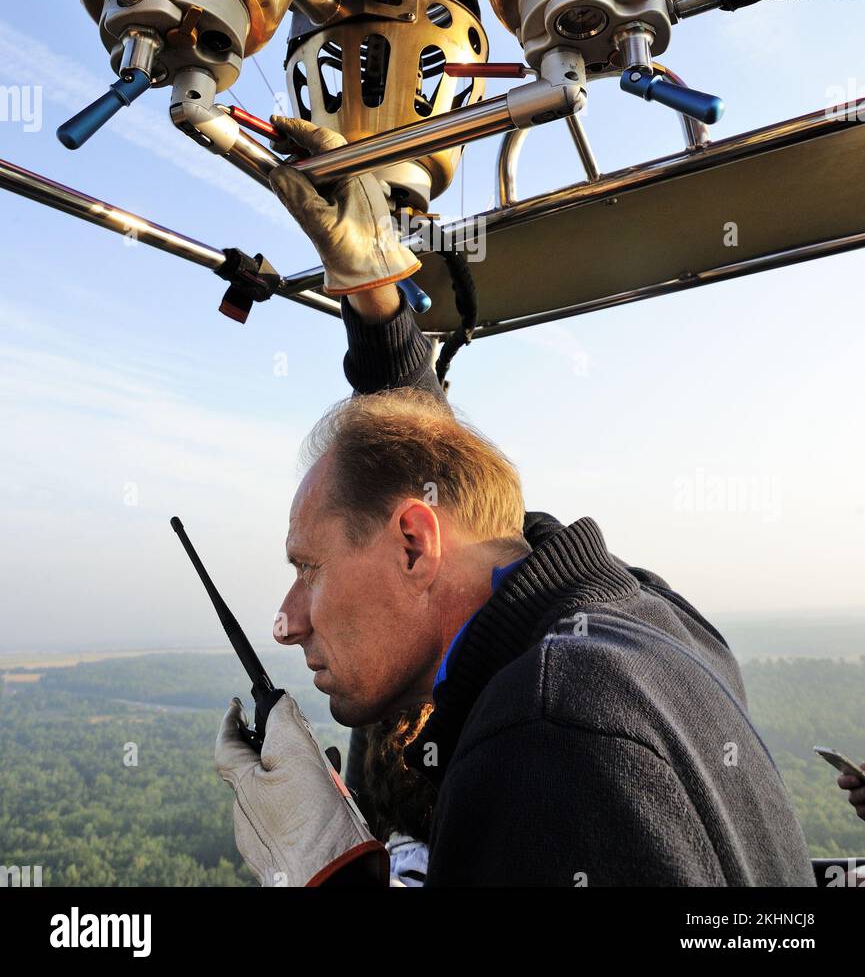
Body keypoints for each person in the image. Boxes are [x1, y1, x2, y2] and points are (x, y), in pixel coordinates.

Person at [215, 119, 820, 888]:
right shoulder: (645, 613)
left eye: (309, 568)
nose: (288, 620)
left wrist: (325, 866)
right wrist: (378, 308)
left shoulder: (542, 732)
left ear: (412, 544)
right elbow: (461, 498)